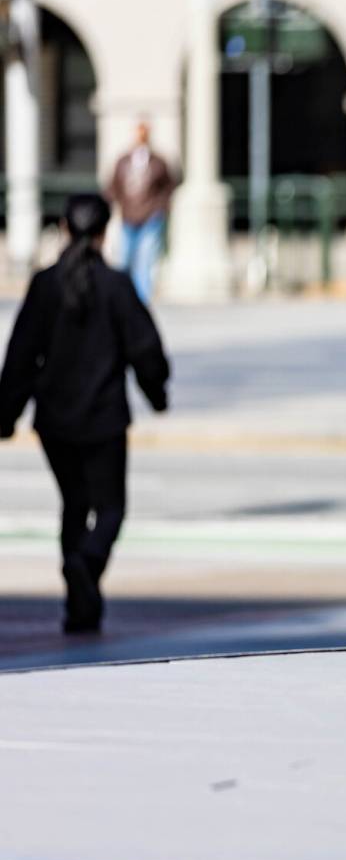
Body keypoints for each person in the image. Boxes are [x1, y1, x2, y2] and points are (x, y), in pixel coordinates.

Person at [0, 193, 170, 633]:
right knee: (110, 508)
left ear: (63, 228)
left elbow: (21, 354)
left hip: (54, 419)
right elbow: (144, 346)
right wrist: (156, 391)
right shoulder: (115, 284)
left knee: (74, 504)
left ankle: (80, 604)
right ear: (104, 232)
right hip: (104, 417)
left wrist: (7, 412)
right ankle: (87, 563)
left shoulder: (44, 285)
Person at [104, 121, 178, 302]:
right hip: (128, 217)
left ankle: (141, 301)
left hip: (151, 217)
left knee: (145, 261)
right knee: (125, 260)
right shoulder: (123, 160)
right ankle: (123, 298)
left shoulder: (158, 162)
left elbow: (169, 186)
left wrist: (161, 208)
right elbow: (113, 187)